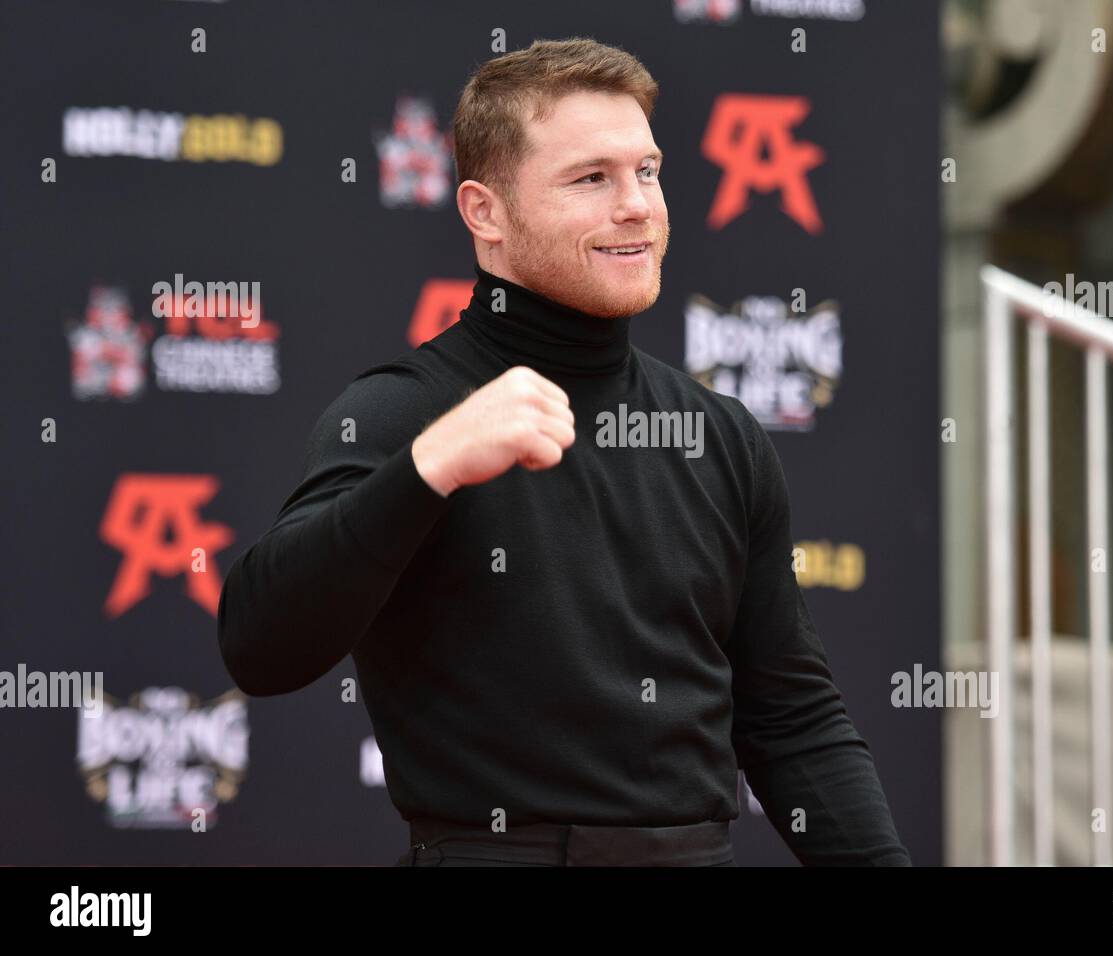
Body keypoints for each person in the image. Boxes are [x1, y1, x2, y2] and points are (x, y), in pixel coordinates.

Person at [217, 37, 911, 867]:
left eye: (647, 172)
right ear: (486, 212)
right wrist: (430, 469)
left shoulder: (722, 435)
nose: (637, 207)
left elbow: (794, 722)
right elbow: (260, 646)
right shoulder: (402, 412)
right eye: (591, 178)